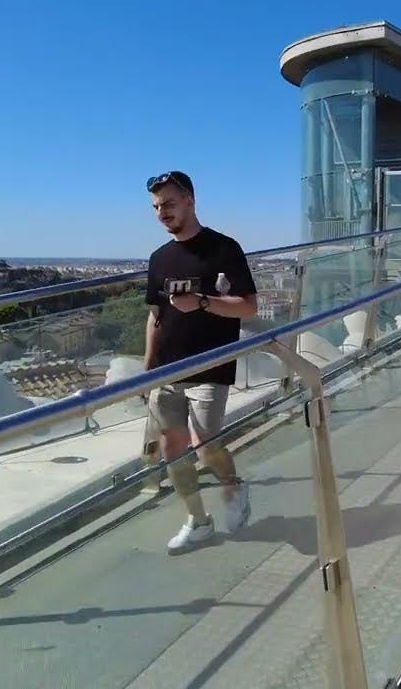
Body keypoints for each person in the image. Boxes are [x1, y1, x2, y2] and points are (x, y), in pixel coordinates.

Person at [143, 170, 258, 553]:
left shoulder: (225, 249)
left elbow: (248, 306)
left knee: (207, 448)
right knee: (173, 450)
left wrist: (203, 302)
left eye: (170, 203)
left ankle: (232, 485)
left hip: (211, 368)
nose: (163, 212)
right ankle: (198, 520)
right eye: (157, 206)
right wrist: (147, 367)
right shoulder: (159, 259)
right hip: (168, 371)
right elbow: (155, 316)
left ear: (190, 200)